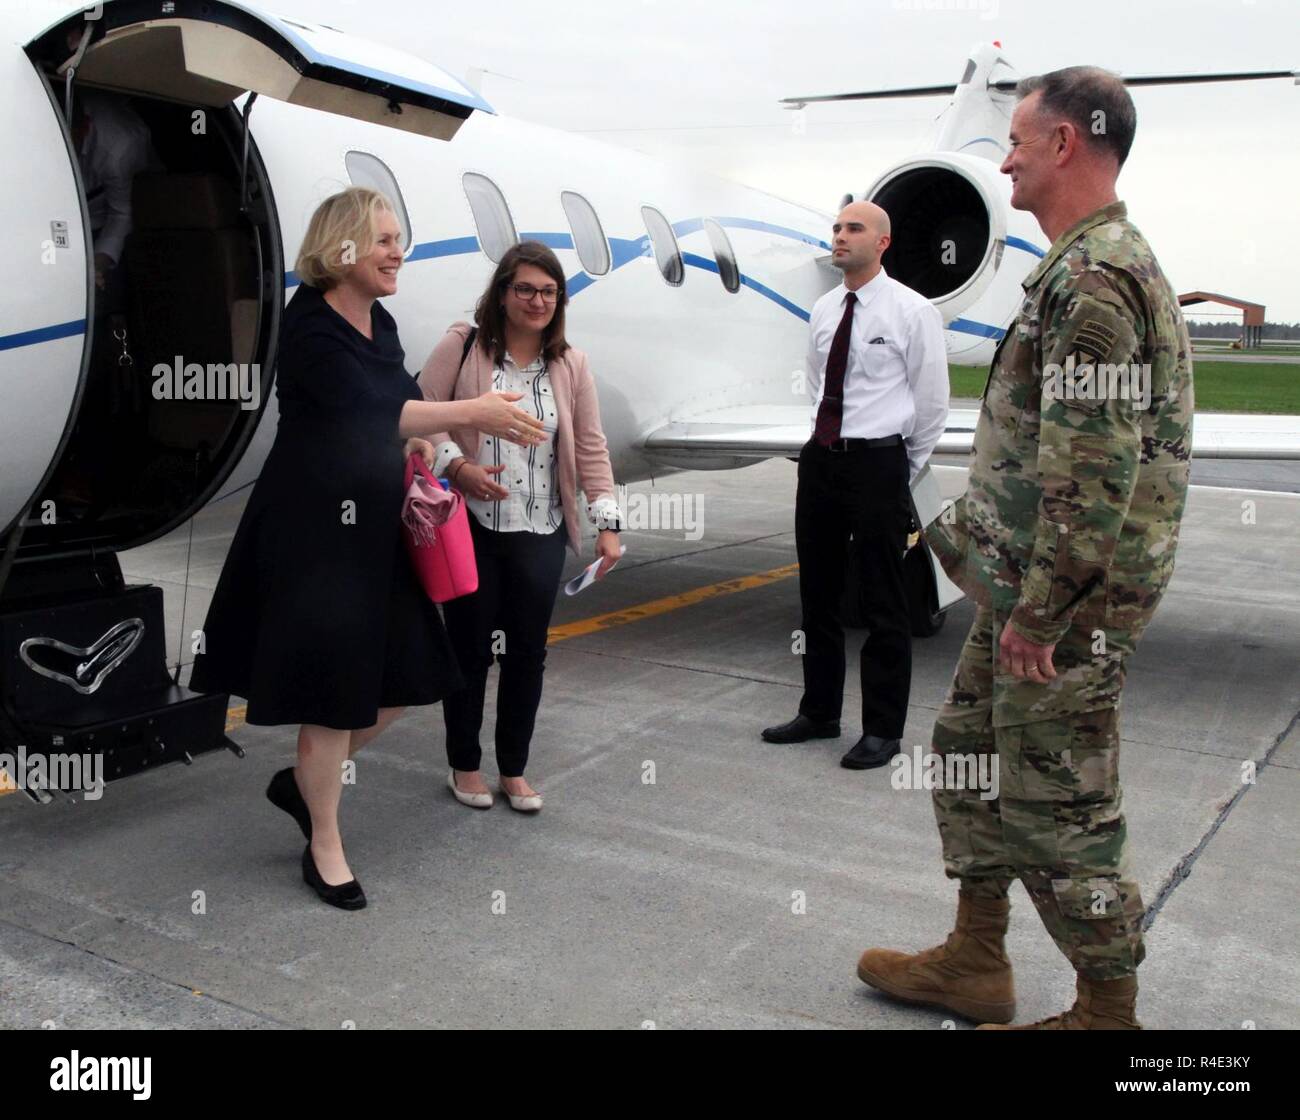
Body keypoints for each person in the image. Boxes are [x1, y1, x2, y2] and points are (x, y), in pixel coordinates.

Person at [856, 67, 1194, 1029]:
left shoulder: (1095, 278)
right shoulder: (1074, 265)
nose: (1001, 157)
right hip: (1025, 588)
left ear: (1065, 145)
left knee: (1060, 803)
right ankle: (975, 956)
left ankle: (1107, 1010)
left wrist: (1046, 613)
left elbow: (1095, 474)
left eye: (1015, 139)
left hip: (1062, 607)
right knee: (966, 750)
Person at [190, 188, 545, 910]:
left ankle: (303, 785)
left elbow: (395, 403)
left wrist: (427, 443)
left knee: (414, 676)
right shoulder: (310, 325)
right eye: (383, 239)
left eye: (398, 239)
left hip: (376, 522)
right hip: (315, 530)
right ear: (343, 246)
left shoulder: (376, 320)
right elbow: (364, 408)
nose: (397, 252)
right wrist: (471, 412)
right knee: (331, 698)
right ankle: (324, 844)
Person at [418, 241, 623, 812]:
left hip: (541, 527)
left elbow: (590, 447)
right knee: (469, 651)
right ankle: (464, 766)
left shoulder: (571, 363)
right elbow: (421, 410)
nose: (538, 301)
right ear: (503, 292)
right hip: (472, 525)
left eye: (549, 291)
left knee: (527, 654)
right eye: (526, 289)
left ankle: (514, 768)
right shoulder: (464, 347)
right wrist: (457, 466)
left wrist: (607, 523)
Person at [761, 201, 948, 770]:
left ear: (883, 242)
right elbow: (819, 384)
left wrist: (896, 468)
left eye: (853, 229)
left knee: (882, 599)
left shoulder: (912, 312)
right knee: (817, 594)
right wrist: (829, 450)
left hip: (879, 464)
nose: (840, 237)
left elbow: (932, 403)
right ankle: (819, 712)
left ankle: (882, 730)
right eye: (837, 228)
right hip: (822, 461)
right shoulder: (823, 309)